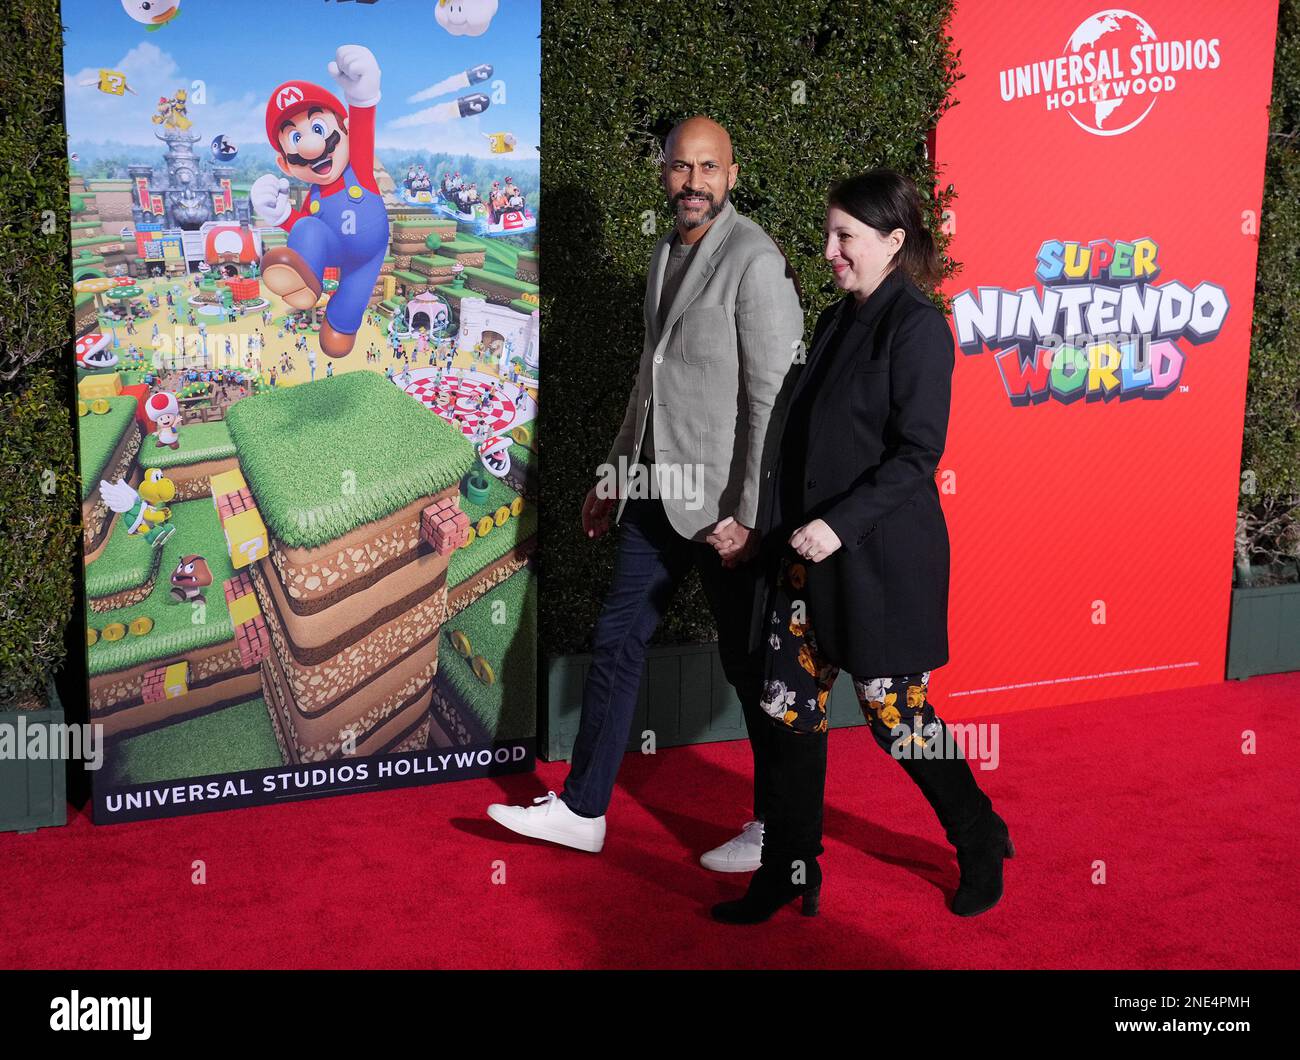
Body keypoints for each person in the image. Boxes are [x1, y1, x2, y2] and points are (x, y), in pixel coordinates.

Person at [486, 116, 803, 868]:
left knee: (751, 663)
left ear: (731, 174)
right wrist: (615, 473)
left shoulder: (754, 260)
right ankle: (584, 809)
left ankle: (778, 825)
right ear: (663, 172)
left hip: (726, 508)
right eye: (679, 167)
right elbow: (652, 378)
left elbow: (772, 401)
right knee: (618, 639)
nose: (693, 182)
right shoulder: (663, 254)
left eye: (707, 168)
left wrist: (752, 518)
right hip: (657, 488)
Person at [711, 169, 1013, 925]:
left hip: (877, 564)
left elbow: (917, 456)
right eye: (829, 234)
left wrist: (839, 525)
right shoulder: (838, 318)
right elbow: (801, 444)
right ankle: (787, 870)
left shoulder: (917, 327)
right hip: (803, 566)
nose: (830, 250)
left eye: (845, 236)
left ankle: (979, 836)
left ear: (894, 241)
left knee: (898, 720)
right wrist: (764, 532)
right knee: (788, 717)